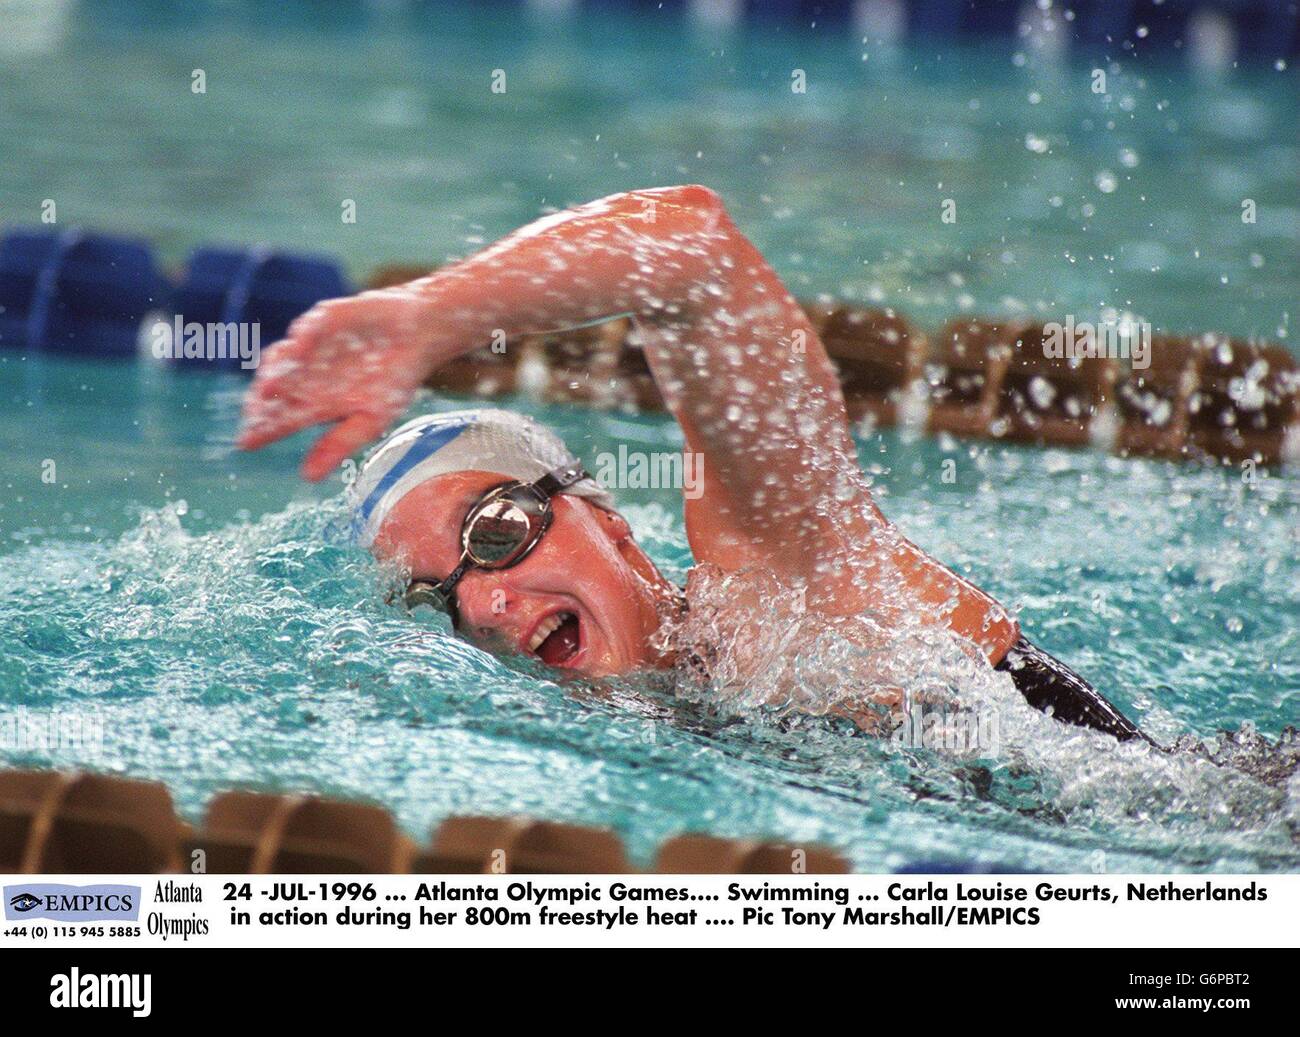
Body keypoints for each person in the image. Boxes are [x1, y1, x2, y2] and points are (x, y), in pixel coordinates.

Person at [238, 185, 1147, 743]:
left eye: (497, 530)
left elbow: (693, 248)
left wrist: (428, 318)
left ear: (604, 513)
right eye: (437, 601)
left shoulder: (777, 585)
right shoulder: (632, 736)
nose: (484, 602)